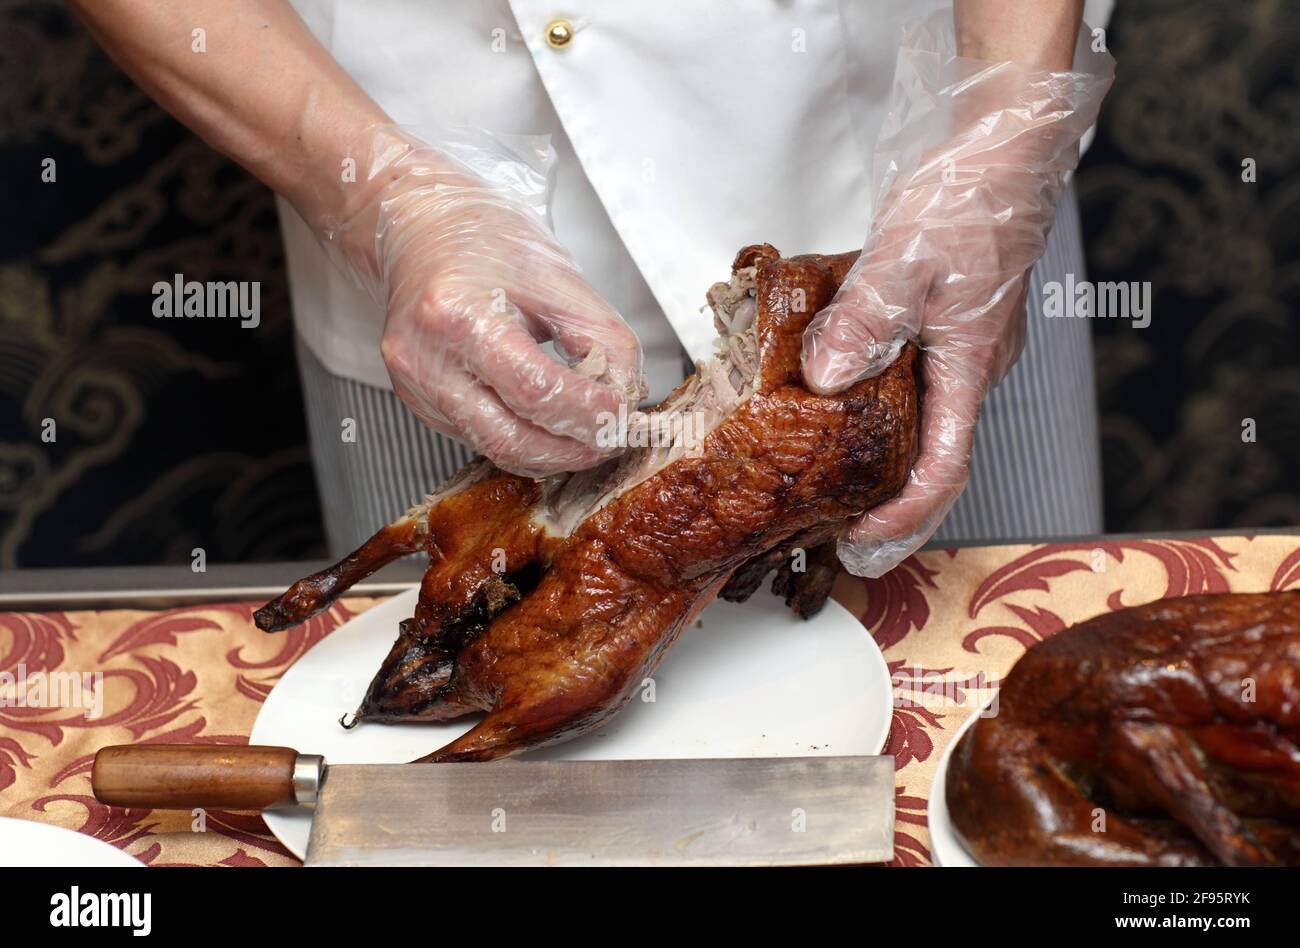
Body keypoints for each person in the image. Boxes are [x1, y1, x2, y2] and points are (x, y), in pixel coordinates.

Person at [72, 0, 1114, 575]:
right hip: (427, 217)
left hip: (923, 208)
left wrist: (1000, 136)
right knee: (472, 805)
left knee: (985, 718)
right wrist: (380, 198)